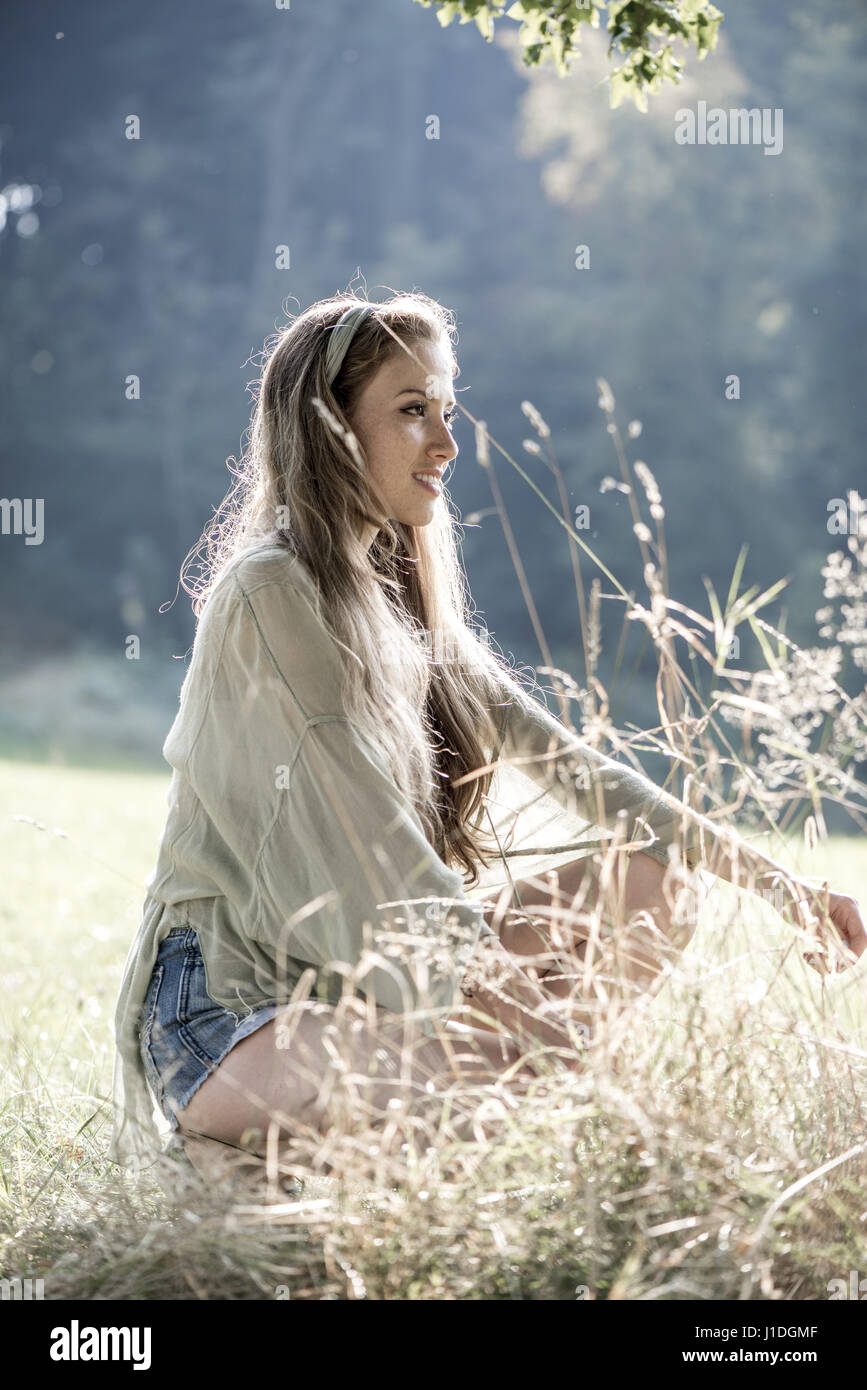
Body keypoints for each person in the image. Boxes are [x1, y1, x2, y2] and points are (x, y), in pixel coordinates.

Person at [107, 292, 866, 1179]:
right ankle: (243, 1152)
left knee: (657, 883)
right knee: (505, 1088)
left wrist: (781, 887)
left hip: (355, 979)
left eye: (447, 411)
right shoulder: (271, 591)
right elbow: (372, 850)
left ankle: (338, 1157)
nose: (446, 444)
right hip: (232, 1005)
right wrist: (543, 1039)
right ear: (327, 427)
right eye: (411, 411)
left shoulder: (398, 602)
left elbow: (581, 773)